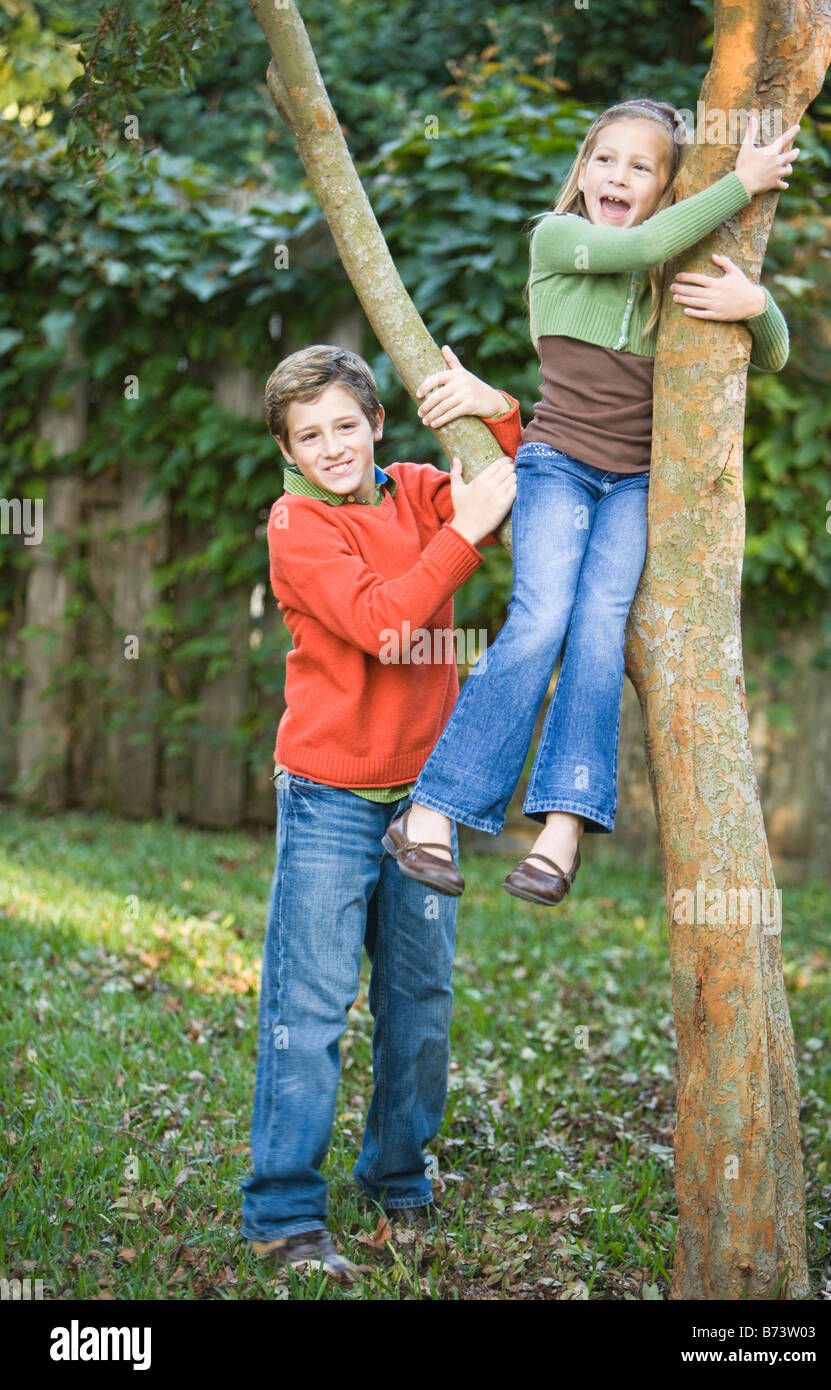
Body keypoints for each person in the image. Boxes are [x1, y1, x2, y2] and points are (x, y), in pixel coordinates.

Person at [382, 101, 796, 907]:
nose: (618, 176)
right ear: (582, 171)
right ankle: (432, 812)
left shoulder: (674, 275)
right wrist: (744, 183)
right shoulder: (558, 237)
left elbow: (772, 356)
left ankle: (562, 832)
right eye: (605, 160)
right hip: (559, 465)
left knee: (600, 628)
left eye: (642, 168)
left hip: (638, 485)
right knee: (540, 618)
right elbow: (637, 242)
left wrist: (760, 308)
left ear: (669, 186)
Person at [239, 343, 518, 1282]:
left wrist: (493, 400)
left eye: (345, 426)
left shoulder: (416, 491)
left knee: (421, 1000)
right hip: (329, 796)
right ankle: (282, 1213)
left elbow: (506, 464)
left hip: (425, 802)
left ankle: (398, 1175)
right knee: (310, 1006)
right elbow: (390, 625)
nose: (331, 447)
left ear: (377, 424)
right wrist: (465, 535)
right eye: (308, 435)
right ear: (288, 447)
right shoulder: (298, 525)